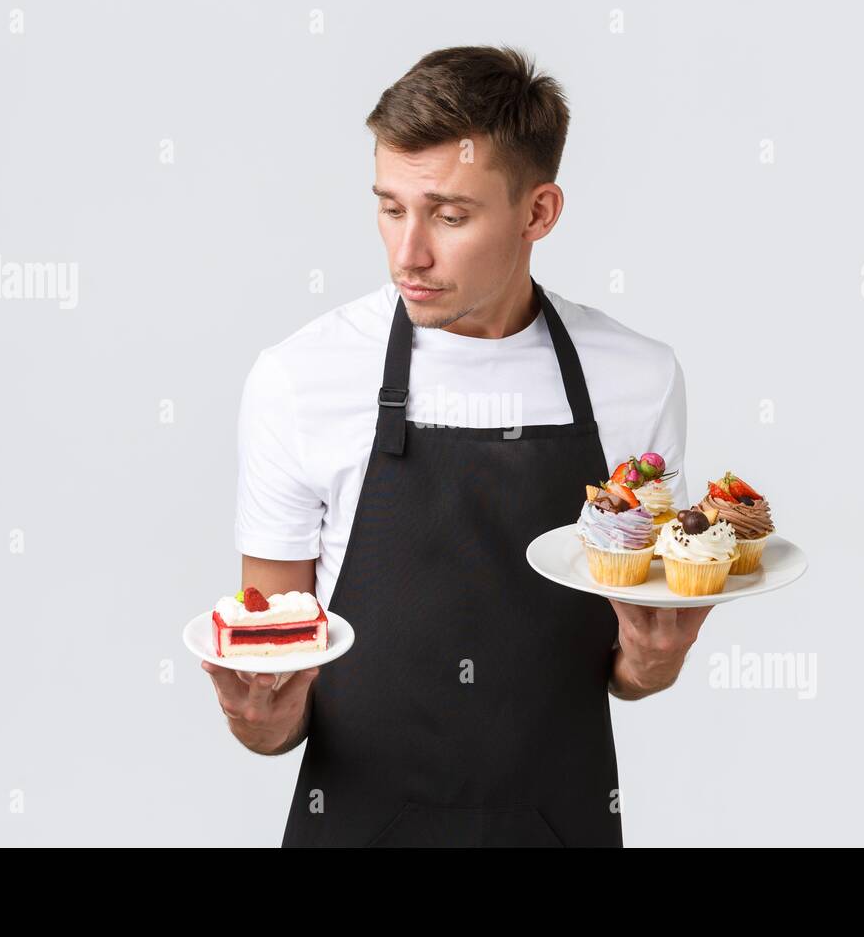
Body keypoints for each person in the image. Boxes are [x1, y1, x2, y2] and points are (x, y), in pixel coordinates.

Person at [202, 45, 714, 847]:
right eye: (390, 207)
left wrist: (654, 663)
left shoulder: (636, 380)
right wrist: (255, 713)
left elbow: (631, 664)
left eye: (449, 215)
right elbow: (275, 684)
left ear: (539, 212)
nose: (408, 253)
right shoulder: (300, 380)